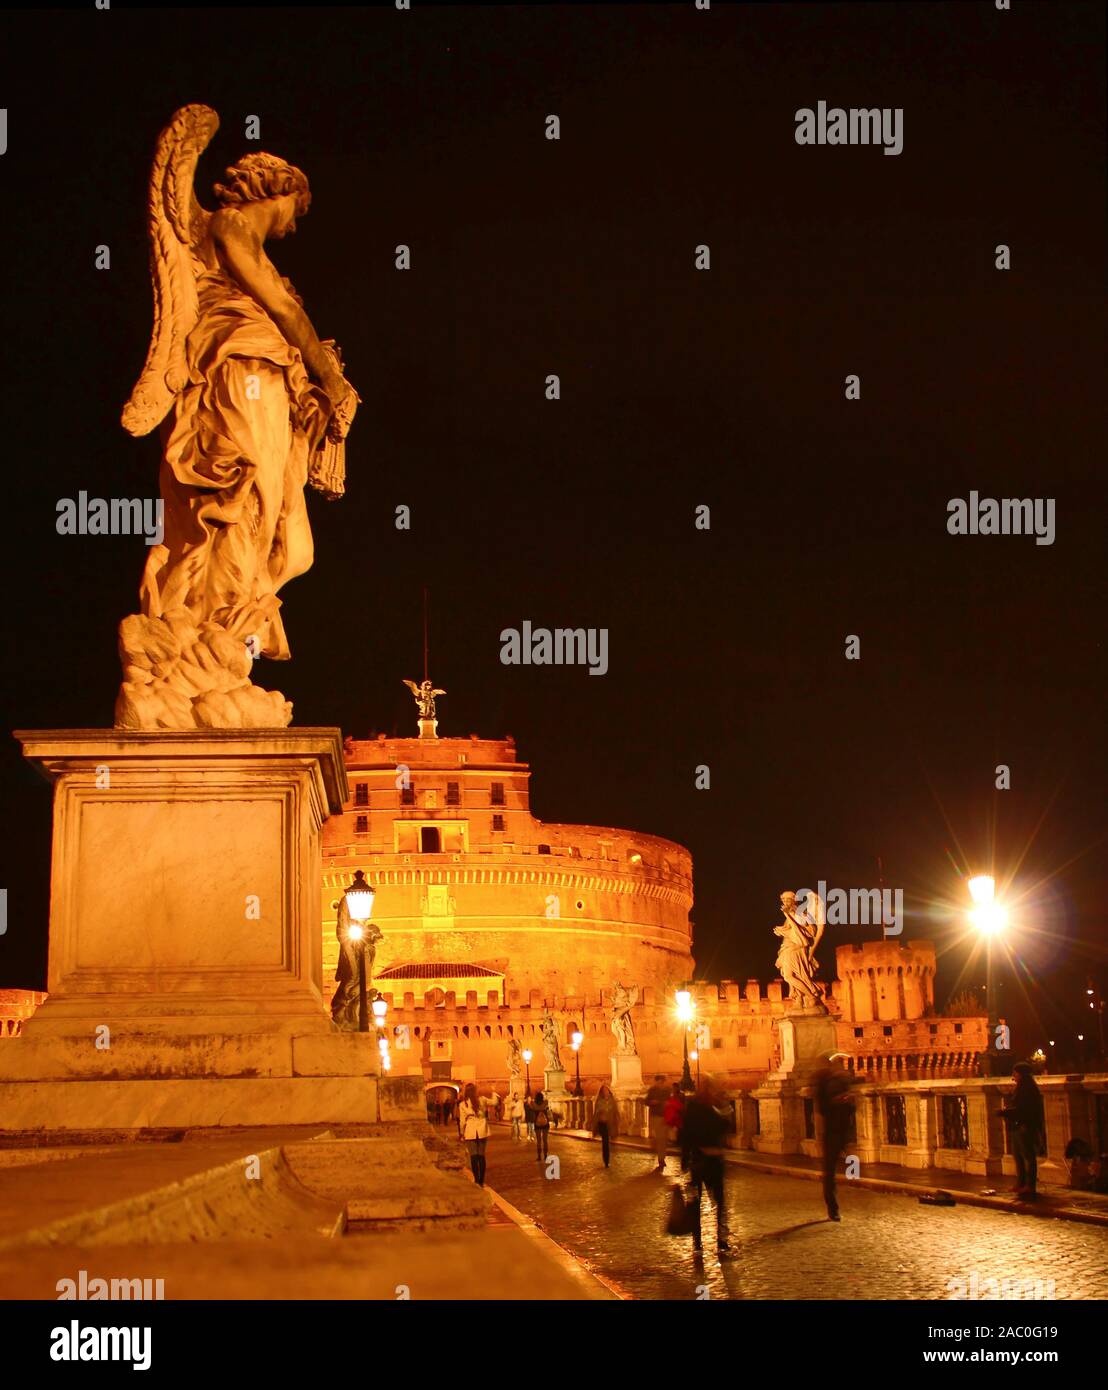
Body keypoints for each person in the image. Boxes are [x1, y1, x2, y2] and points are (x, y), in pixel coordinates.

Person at [681, 1080, 732, 1254]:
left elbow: (685, 1133)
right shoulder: (713, 1108)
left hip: (698, 1160)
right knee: (719, 1202)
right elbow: (724, 1128)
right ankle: (721, 1241)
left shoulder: (693, 1108)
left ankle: (698, 1242)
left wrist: (685, 1158)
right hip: (711, 1159)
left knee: (698, 1203)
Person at [815, 1052, 854, 1221]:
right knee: (829, 1171)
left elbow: (852, 1108)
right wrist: (840, 1099)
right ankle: (833, 1208)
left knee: (848, 1165)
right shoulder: (822, 1082)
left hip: (844, 1130)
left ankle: (851, 1195)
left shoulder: (843, 1081)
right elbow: (821, 1108)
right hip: (831, 1132)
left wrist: (849, 1100)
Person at [1000, 1061, 1046, 1198]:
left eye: (1015, 1072)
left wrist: (1006, 1112)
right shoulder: (1023, 1087)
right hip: (1018, 1125)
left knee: (1027, 1157)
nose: (1013, 1075)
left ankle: (1029, 1186)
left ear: (1021, 1074)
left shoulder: (1028, 1089)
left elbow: (1024, 1109)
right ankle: (1021, 1183)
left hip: (1025, 1126)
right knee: (1018, 1156)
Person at [458, 1083, 490, 1187]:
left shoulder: (463, 1104)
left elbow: (462, 1121)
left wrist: (462, 1133)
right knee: (481, 1156)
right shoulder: (482, 1100)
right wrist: (494, 1092)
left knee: (474, 1156)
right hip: (482, 1130)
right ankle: (481, 1180)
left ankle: (476, 1180)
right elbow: (494, 1102)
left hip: (470, 1131)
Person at [645, 1073, 671, 1174]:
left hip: (665, 1116)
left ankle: (661, 1156)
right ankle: (661, 1159)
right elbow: (646, 1101)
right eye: (659, 1081)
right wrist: (653, 1102)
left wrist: (667, 1103)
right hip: (656, 1116)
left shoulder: (667, 1090)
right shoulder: (652, 1090)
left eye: (662, 1081)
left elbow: (670, 1101)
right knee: (660, 1138)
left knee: (664, 1138)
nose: (661, 1083)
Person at [591, 1083, 620, 1167]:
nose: (605, 1092)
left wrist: (618, 1120)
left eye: (606, 1090)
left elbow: (616, 1111)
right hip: (602, 1123)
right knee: (605, 1142)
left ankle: (609, 1156)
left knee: (610, 1139)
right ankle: (606, 1160)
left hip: (610, 1123)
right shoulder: (599, 1101)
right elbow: (595, 1112)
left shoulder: (613, 1100)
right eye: (603, 1090)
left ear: (609, 1091)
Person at [533, 1090, 551, 1162]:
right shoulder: (545, 1103)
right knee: (545, 1140)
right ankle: (546, 1156)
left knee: (539, 1141)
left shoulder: (534, 1104)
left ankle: (539, 1156)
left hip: (537, 1123)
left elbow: (533, 1108)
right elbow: (546, 1105)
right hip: (545, 1123)